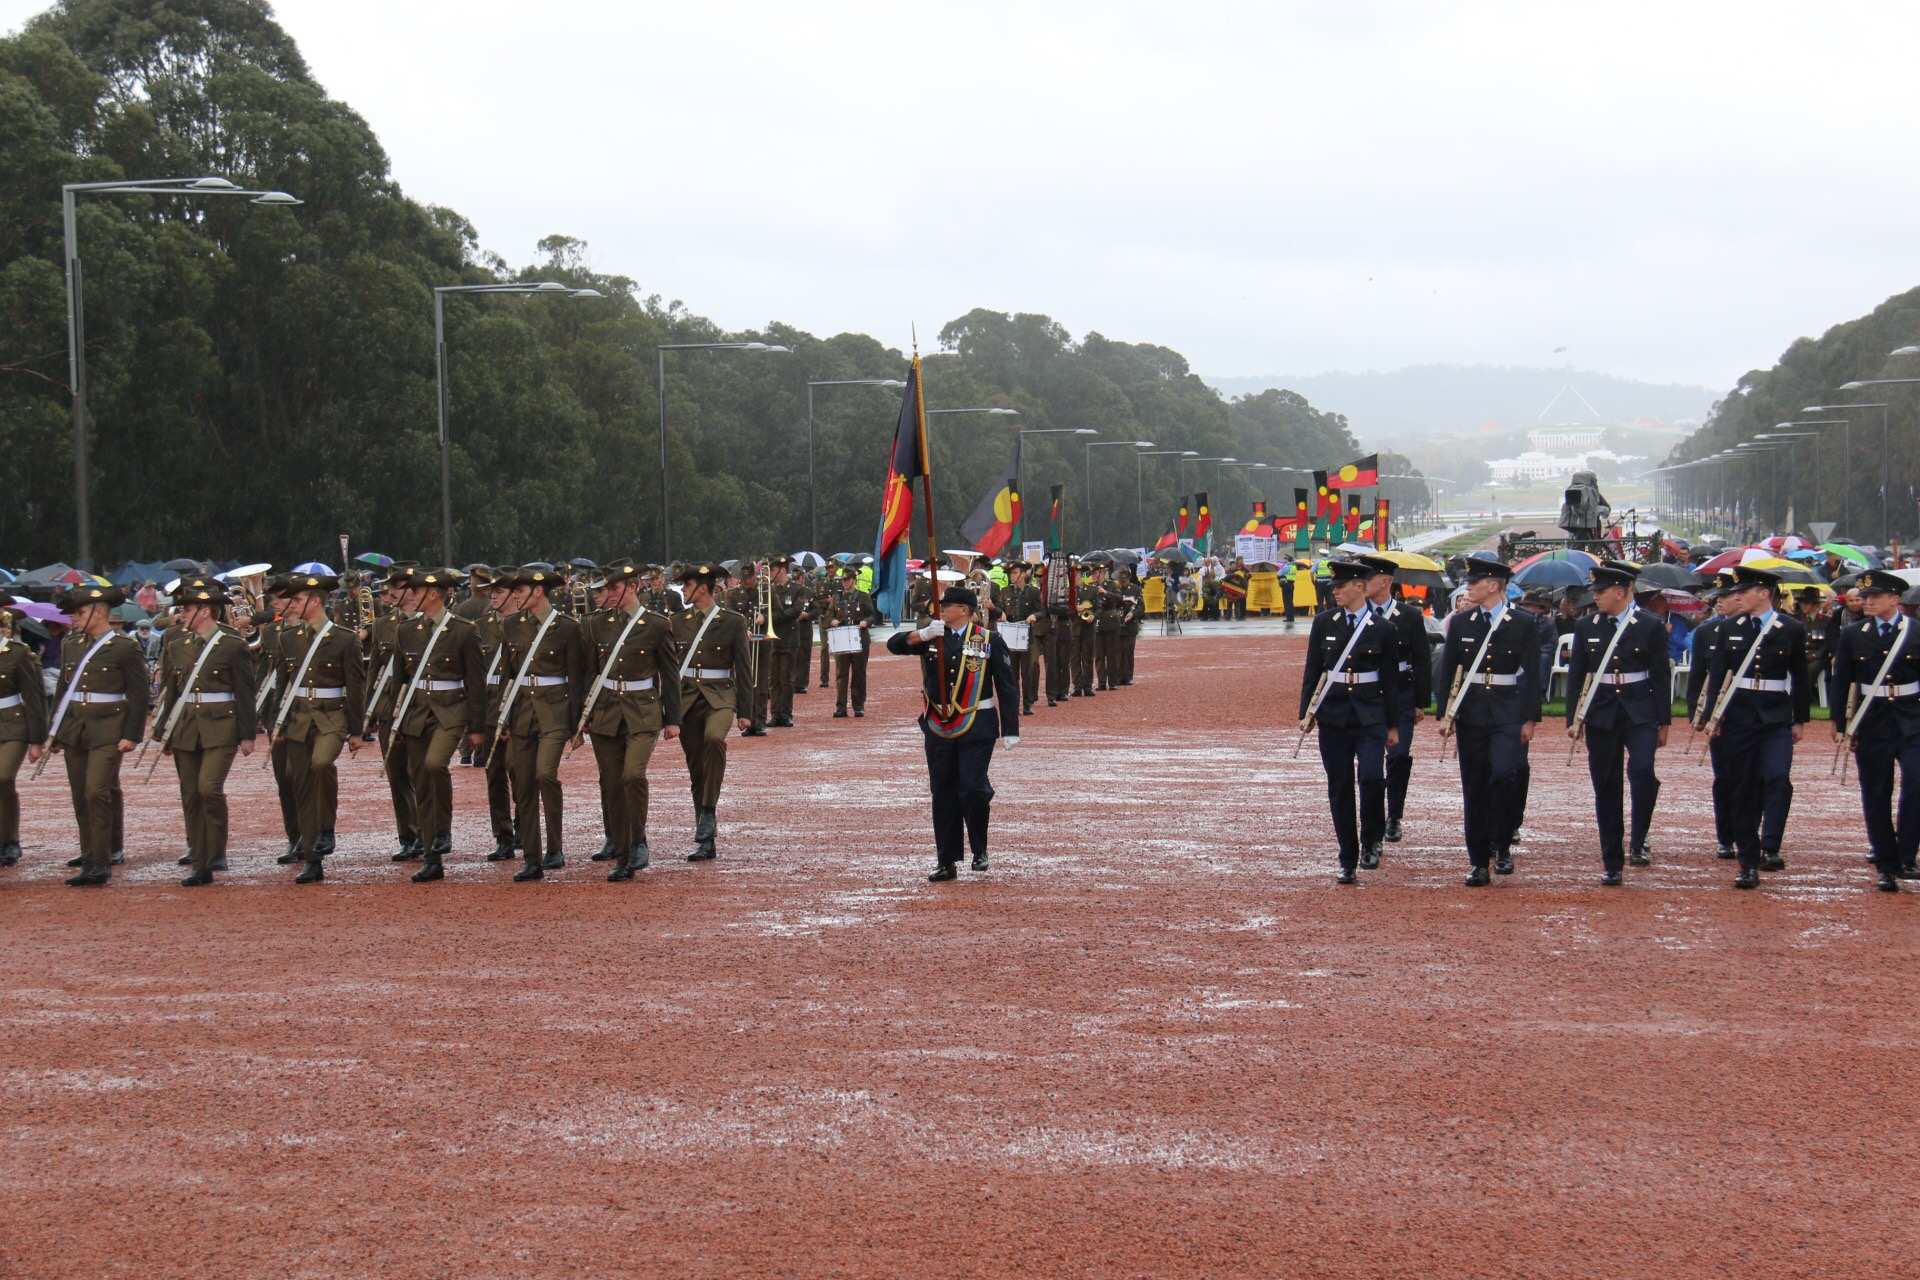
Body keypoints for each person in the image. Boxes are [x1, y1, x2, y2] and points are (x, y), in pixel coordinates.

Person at [886, 584, 1021, 881]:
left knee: (973, 789)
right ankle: (946, 860)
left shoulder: (988, 640)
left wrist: (1011, 729)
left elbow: (1007, 685)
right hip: (938, 726)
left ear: (964, 610)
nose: (942, 610)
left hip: (977, 724)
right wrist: (920, 635)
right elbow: (893, 645)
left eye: (947, 606)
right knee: (943, 793)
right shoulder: (934, 636)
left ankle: (979, 849)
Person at [1701, 565, 1811, 889]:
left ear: (1764, 593)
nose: (1738, 597)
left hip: (1776, 716)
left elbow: (1800, 677)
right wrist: (1712, 717)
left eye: (1744, 591)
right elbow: (1718, 675)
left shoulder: (1790, 628)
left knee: (1777, 776)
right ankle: (1747, 862)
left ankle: (1770, 844)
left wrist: (1800, 719)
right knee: (1743, 786)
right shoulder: (1729, 628)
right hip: (1739, 716)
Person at [1435, 559, 1540, 887]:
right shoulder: (1462, 622)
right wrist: (1445, 712)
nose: (1468, 586)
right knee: (1475, 785)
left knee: (1505, 775)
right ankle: (1478, 861)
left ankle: (1502, 843)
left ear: (1493, 585)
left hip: (1508, 712)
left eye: (1475, 581)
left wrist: (1530, 718)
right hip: (1472, 712)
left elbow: (1534, 674)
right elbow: (1448, 668)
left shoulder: (1523, 623)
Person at [575, 556, 681, 881]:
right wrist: (583, 717)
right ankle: (623, 852)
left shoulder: (656, 624)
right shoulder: (596, 624)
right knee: (610, 782)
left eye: (615, 587)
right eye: (607, 587)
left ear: (632, 587)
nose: (609, 592)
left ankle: (638, 840)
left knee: (632, 776)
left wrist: (672, 718)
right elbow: (588, 673)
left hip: (642, 711)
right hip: (607, 711)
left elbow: (669, 673)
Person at [1564, 561, 1670, 885]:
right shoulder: (1587, 627)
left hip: (1640, 710)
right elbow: (1576, 675)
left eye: (1601, 591)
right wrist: (1574, 717)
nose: (1595, 597)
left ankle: (1638, 838)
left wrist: (1663, 720)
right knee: (1606, 785)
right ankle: (1612, 861)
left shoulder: (1650, 625)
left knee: (1641, 772)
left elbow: (1661, 676)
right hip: (1602, 711)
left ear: (1621, 592)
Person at [1300, 560, 1403, 883]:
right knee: (1339, 786)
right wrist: (1307, 712)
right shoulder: (1324, 623)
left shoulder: (1383, 628)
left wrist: (1394, 724)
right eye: (1334, 586)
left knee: (1372, 778)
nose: (1336, 591)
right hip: (1334, 715)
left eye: (1341, 586)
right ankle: (1347, 855)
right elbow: (1313, 670)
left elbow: (1390, 680)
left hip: (1370, 714)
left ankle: (1371, 839)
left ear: (1360, 587)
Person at [151, 582, 256, 886]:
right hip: (186, 726)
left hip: (221, 724)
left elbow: (244, 691)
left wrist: (247, 733)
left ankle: (216, 849)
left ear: (205, 610)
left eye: (186, 609)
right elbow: (173, 692)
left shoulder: (232, 644)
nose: (180, 614)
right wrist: (163, 731)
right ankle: (200, 861)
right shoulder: (177, 645)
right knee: (190, 793)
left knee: (208, 787)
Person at [266, 571, 366, 884]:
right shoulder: (288, 638)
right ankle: (313, 858)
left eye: (296, 599)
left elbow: (356, 687)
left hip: (331, 717)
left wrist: (356, 730)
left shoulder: (344, 638)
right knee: (300, 784)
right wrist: (276, 724)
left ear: (316, 600)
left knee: (322, 763)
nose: (290, 604)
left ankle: (327, 827)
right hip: (298, 718)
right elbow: (282, 684)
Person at [47, 584, 149, 886]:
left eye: (79, 613)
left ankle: (102, 863)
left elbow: (139, 693)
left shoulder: (123, 646)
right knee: (80, 795)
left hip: (109, 728)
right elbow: (65, 691)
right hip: (76, 728)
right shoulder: (72, 643)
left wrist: (133, 734)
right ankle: (90, 854)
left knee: (96, 791)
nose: (73, 619)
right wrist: (55, 729)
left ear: (98, 612)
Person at [391, 568, 486, 882]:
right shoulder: (407, 630)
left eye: (416, 592)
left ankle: (442, 831)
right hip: (417, 712)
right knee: (420, 781)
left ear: (433, 594)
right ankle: (432, 856)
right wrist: (397, 720)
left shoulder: (462, 630)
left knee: (434, 765)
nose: (410, 597)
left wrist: (476, 726)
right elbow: (399, 681)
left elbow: (475, 681)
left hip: (450, 711)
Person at [496, 564, 588, 881]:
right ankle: (532, 859)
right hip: (522, 713)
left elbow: (577, 679)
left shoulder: (566, 627)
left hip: (555, 711)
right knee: (522, 783)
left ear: (537, 591)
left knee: (545, 774)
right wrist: (504, 719)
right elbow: (508, 677)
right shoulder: (511, 626)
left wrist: (577, 725)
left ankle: (555, 847)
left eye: (520, 591)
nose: (515, 596)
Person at [1830, 569, 1920, 892]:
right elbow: (1841, 681)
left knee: (1916, 783)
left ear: (1894, 599)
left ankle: (1907, 854)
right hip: (1872, 722)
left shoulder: (1915, 631)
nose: (1866, 601)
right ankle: (1886, 863)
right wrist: (1840, 723)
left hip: (1912, 720)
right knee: (1876, 792)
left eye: (1874, 596)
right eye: (1864, 596)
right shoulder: (1854, 634)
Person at [670, 564, 753, 861]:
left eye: (686, 585)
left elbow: (743, 667)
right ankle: (706, 840)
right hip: (688, 697)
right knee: (696, 769)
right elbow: (669, 669)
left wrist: (746, 710)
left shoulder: (732, 621)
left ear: (702, 587)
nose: (682, 590)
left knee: (715, 739)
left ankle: (707, 812)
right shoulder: (677, 622)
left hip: (720, 695)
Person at [1356, 555, 1430, 847]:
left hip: (1400, 693)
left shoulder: (1409, 616)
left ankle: (1394, 815)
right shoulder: (1356, 612)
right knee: (1369, 764)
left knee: (1398, 755)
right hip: (1369, 693)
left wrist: (1420, 702)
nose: (1362, 584)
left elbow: (1421, 660)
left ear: (1385, 581)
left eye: (1368, 578)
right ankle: (1372, 821)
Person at [368, 566, 422, 862]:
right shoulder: (383, 625)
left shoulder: (432, 623)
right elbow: (374, 669)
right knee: (397, 775)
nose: (389, 594)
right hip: (390, 707)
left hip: (421, 707)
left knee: (421, 773)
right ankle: (408, 836)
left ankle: (430, 834)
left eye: (396, 588)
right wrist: (370, 709)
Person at [1688, 577, 1740, 860]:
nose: (1719, 600)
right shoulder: (1706, 632)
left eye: (1727, 595)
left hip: (1753, 709)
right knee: (1724, 777)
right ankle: (1726, 836)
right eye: (1717, 596)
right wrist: (1699, 713)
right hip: (1720, 713)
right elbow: (1698, 675)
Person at [0, 604, 49, 868]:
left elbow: (34, 697)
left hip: (12, 724)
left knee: (3, 777)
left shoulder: (18, 654)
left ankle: (10, 840)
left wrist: (36, 740)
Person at [825, 564, 881, 717]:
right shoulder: (837, 598)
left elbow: (872, 615)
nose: (844, 583)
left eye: (847, 580)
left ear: (854, 580)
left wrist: (866, 622)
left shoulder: (863, 596)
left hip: (859, 637)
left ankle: (858, 705)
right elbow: (828, 615)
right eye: (843, 580)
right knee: (841, 674)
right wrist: (832, 621)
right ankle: (841, 707)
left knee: (859, 673)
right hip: (842, 637)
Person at [998, 560, 1045, 715]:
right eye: (1011, 573)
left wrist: (1034, 616)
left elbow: (1042, 612)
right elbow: (999, 609)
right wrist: (1000, 613)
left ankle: (1027, 703)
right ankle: (1014, 704)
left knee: (1028, 672)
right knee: (1011, 673)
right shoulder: (1004, 591)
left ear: (1024, 574)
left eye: (1015, 572)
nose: (1012, 576)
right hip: (1009, 635)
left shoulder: (1033, 592)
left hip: (1027, 636)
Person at [767, 557, 809, 727]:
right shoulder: (769, 590)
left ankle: (786, 713)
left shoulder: (798, 589)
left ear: (782, 570)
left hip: (789, 639)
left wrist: (772, 618)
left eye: (772, 570)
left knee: (787, 678)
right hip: (772, 640)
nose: (770, 574)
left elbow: (796, 611)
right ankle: (775, 713)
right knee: (773, 679)